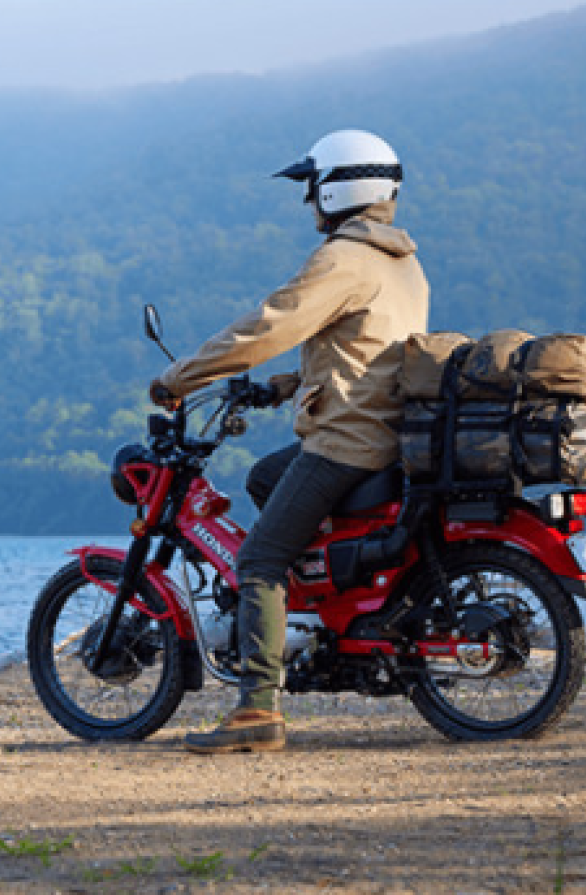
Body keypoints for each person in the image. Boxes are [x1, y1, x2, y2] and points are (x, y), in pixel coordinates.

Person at [151, 129, 430, 753]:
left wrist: (182, 375)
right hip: (383, 432)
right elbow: (362, 350)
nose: (308, 203)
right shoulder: (401, 261)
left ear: (336, 187)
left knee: (259, 560)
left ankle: (256, 709)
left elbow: (269, 326)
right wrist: (283, 386)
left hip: (347, 442)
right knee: (266, 477)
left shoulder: (344, 259)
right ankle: (315, 613)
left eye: (311, 189)